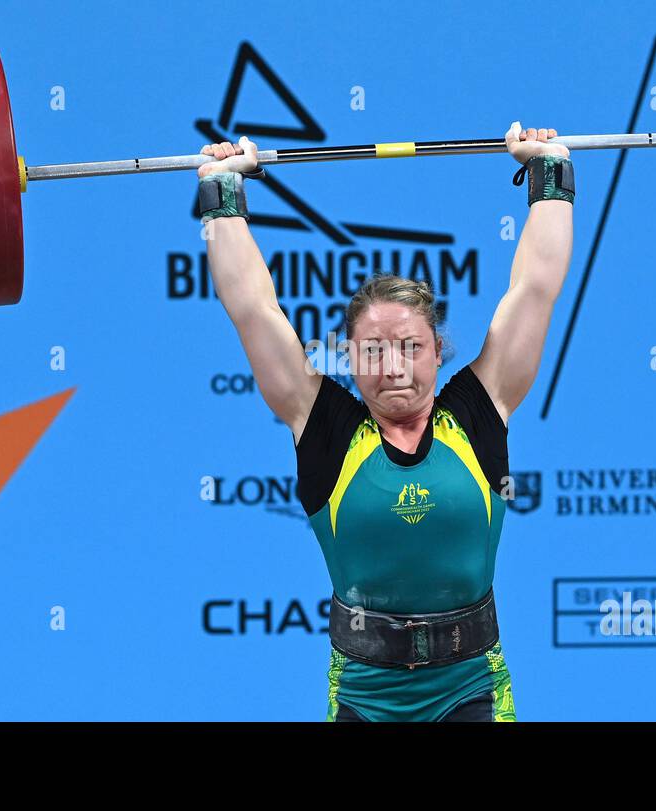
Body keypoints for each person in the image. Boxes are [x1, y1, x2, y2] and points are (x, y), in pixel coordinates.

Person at [197, 122, 573, 721]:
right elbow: (252, 308)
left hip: (470, 689)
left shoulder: (478, 412)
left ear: (438, 350)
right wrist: (221, 193)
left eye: (410, 348)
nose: (394, 368)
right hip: (365, 699)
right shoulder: (324, 428)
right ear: (347, 357)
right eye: (372, 350)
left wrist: (549, 173)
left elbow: (535, 289)